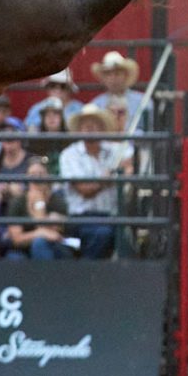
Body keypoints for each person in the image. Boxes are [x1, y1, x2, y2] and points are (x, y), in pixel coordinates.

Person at [58, 104, 128, 259]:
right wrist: (109, 177)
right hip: (82, 217)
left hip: (112, 216)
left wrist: (124, 167)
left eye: (94, 123)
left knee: (127, 236)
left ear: (102, 128)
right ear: (79, 129)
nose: (89, 127)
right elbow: (84, 189)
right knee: (102, 233)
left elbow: (132, 161)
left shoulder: (115, 149)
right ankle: (86, 273)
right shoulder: (69, 154)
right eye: (85, 124)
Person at [5, 160, 74, 260]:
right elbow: (17, 239)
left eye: (41, 174)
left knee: (40, 243)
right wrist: (39, 232)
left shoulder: (57, 200)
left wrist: (39, 203)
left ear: (47, 177)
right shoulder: (18, 202)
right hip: (24, 249)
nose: (37, 178)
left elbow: (53, 234)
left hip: (54, 247)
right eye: (32, 174)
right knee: (14, 257)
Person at [90, 51, 147, 131]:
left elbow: (149, 132)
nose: (113, 78)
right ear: (103, 78)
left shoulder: (143, 102)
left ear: (125, 75)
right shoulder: (96, 105)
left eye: (117, 73)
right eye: (108, 74)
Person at [27, 97, 70, 175]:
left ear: (62, 117)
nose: (51, 117)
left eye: (55, 113)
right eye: (47, 115)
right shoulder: (35, 142)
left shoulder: (70, 140)